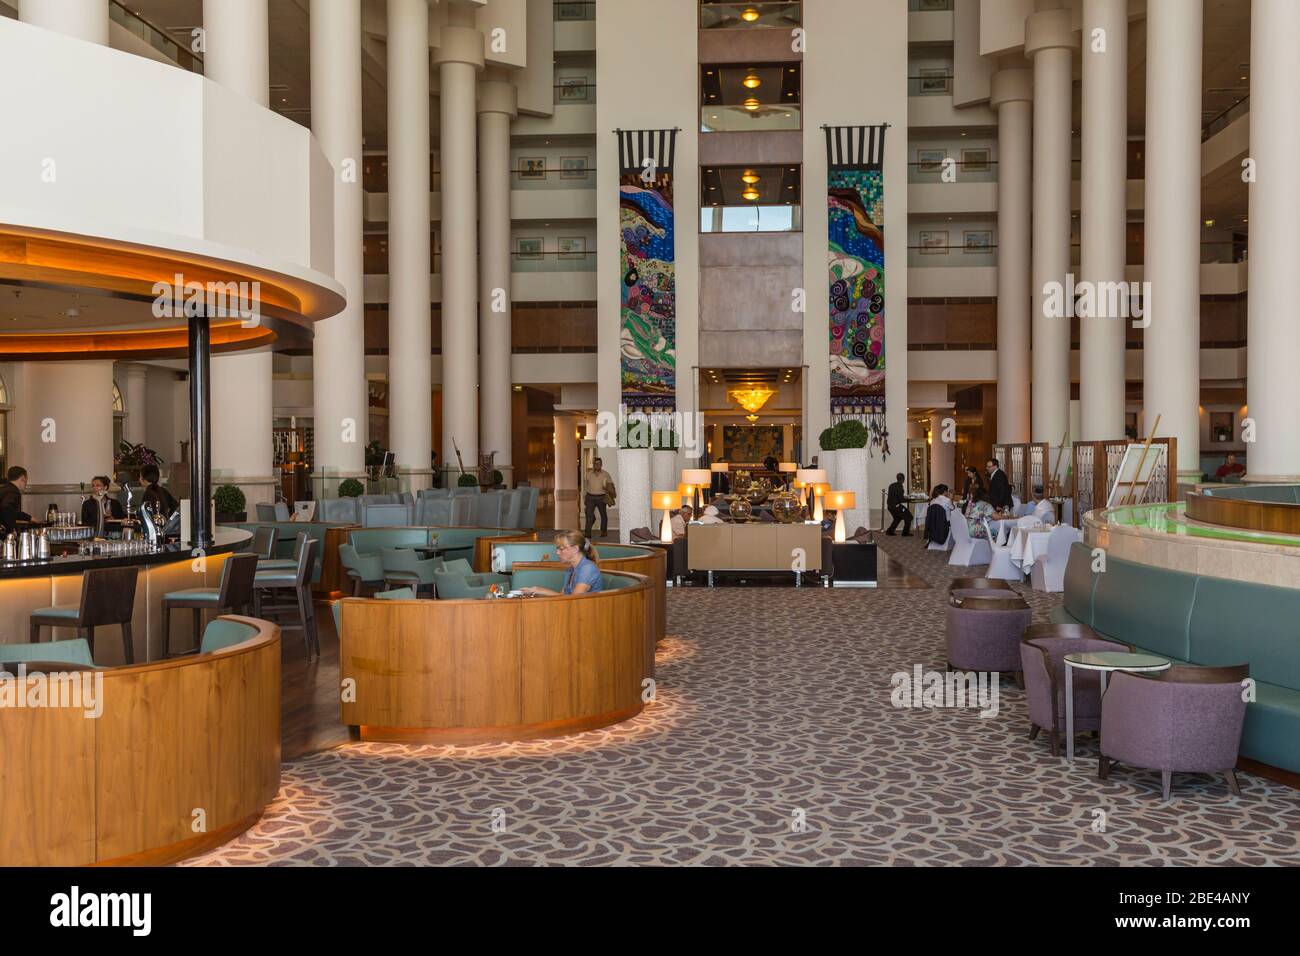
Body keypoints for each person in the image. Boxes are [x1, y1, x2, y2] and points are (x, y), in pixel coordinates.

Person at [519, 531, 604, 596]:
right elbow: (563, 596)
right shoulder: (571, 569)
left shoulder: (587, 568)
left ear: (575, 549)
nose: (557, 552)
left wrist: (541, 590)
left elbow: (574, 599)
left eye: (561, 549)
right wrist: (537, 590)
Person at [583, 457, 613, 539]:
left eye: (599, 463)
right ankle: (587, 533)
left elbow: (610, 485)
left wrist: (608, 489)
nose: (597, 465)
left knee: (603, 515)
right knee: (589, 515)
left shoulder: (606, 474)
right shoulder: (588, 474)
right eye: (596, 463)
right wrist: (584, 497)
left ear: (601, 464)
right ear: (593, 464)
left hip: (601, 497)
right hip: (590, 497)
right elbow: (585, 486)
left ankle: (604, 531)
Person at [0, 466, 31, 534]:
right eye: (26, 480)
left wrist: (30, 518)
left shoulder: (3, 489)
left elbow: (13, 512)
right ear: (22, 478)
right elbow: (6, 507)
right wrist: (11, 529)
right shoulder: (14, 492)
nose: (26, 484)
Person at [885, 472, 912, 536]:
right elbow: (901, 499)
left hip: (890, 506)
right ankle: (905, 533)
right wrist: (909, 499)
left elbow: (895, 496)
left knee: (897, 518)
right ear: (903, 479)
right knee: (909, 517)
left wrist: (903, 498)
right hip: (896, 506)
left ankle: (889, 531)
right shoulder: (900, 487)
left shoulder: (891, 485)